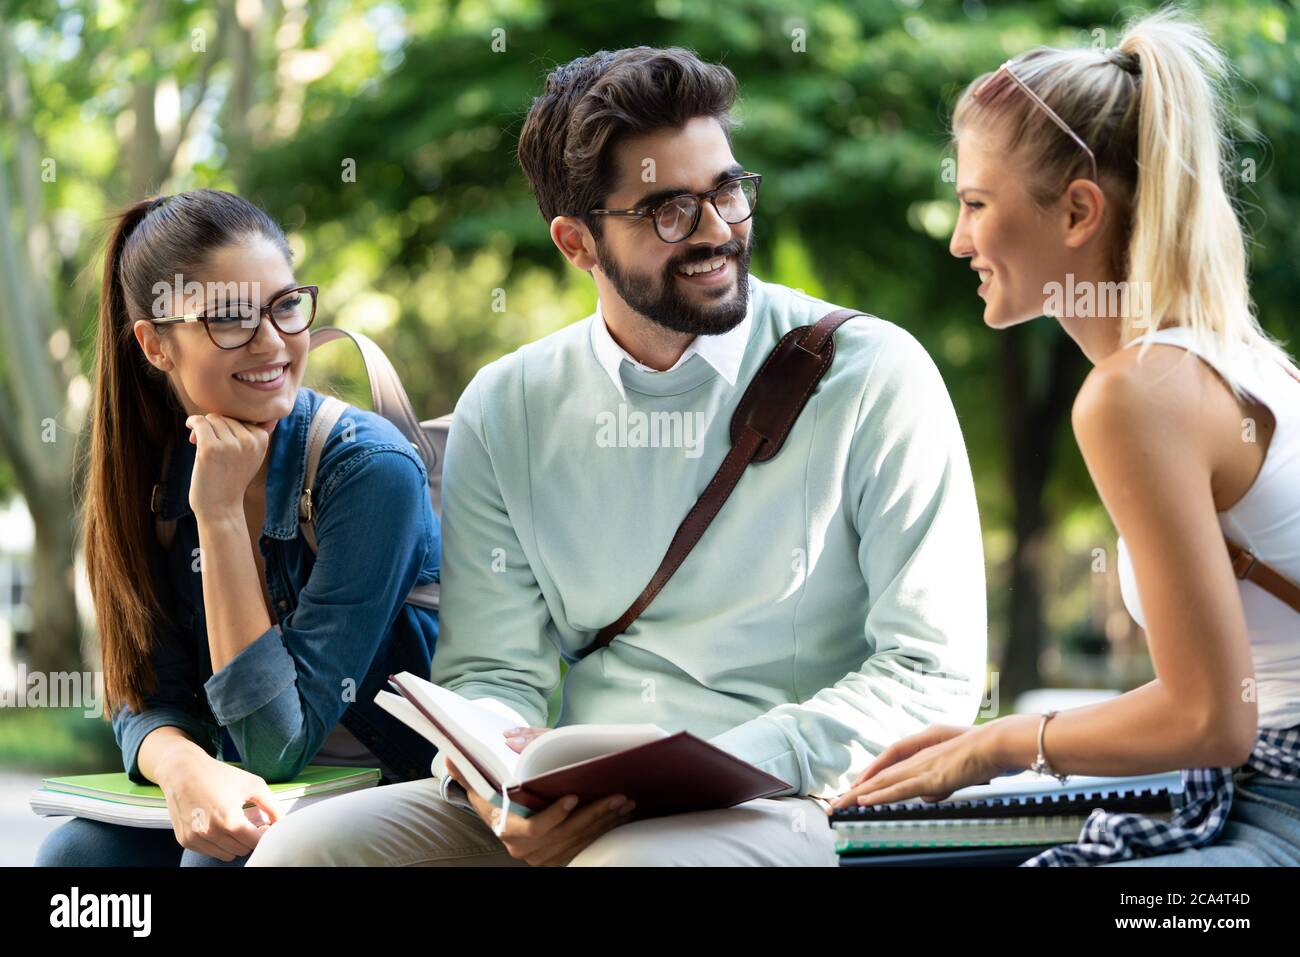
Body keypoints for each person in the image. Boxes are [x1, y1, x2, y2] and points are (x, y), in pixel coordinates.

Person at [248, 46, 986, 867]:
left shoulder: (874, 373)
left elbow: (932, 672)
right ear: (577, 243)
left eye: (728, 191)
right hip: (578, 796)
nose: (716, 231)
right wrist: (497, 788)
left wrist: (738, 759)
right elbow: (493, 670)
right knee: (301, 852)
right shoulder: (509, 403)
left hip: (788, 795)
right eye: (668, 210)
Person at [831, 8, 1300, 867]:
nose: (958, 237)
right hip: (1246, 796)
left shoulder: (1134, 392)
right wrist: (977, 747)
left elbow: (1211, 719)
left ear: (1078, 210)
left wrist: (993, 745)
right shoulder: (1238, 361)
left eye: (975, 203)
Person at [36, 189, 441, 866]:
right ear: (155, 343)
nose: (272, 340)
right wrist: (182, 767)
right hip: (261, 782)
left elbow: (273, 746)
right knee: (73, 857)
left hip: (397, 784)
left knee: (217, 858)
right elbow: (144, 691)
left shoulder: (369, 470)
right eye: (229, 317)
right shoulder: (153, 472)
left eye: (285, 305)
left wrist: (221, 515)